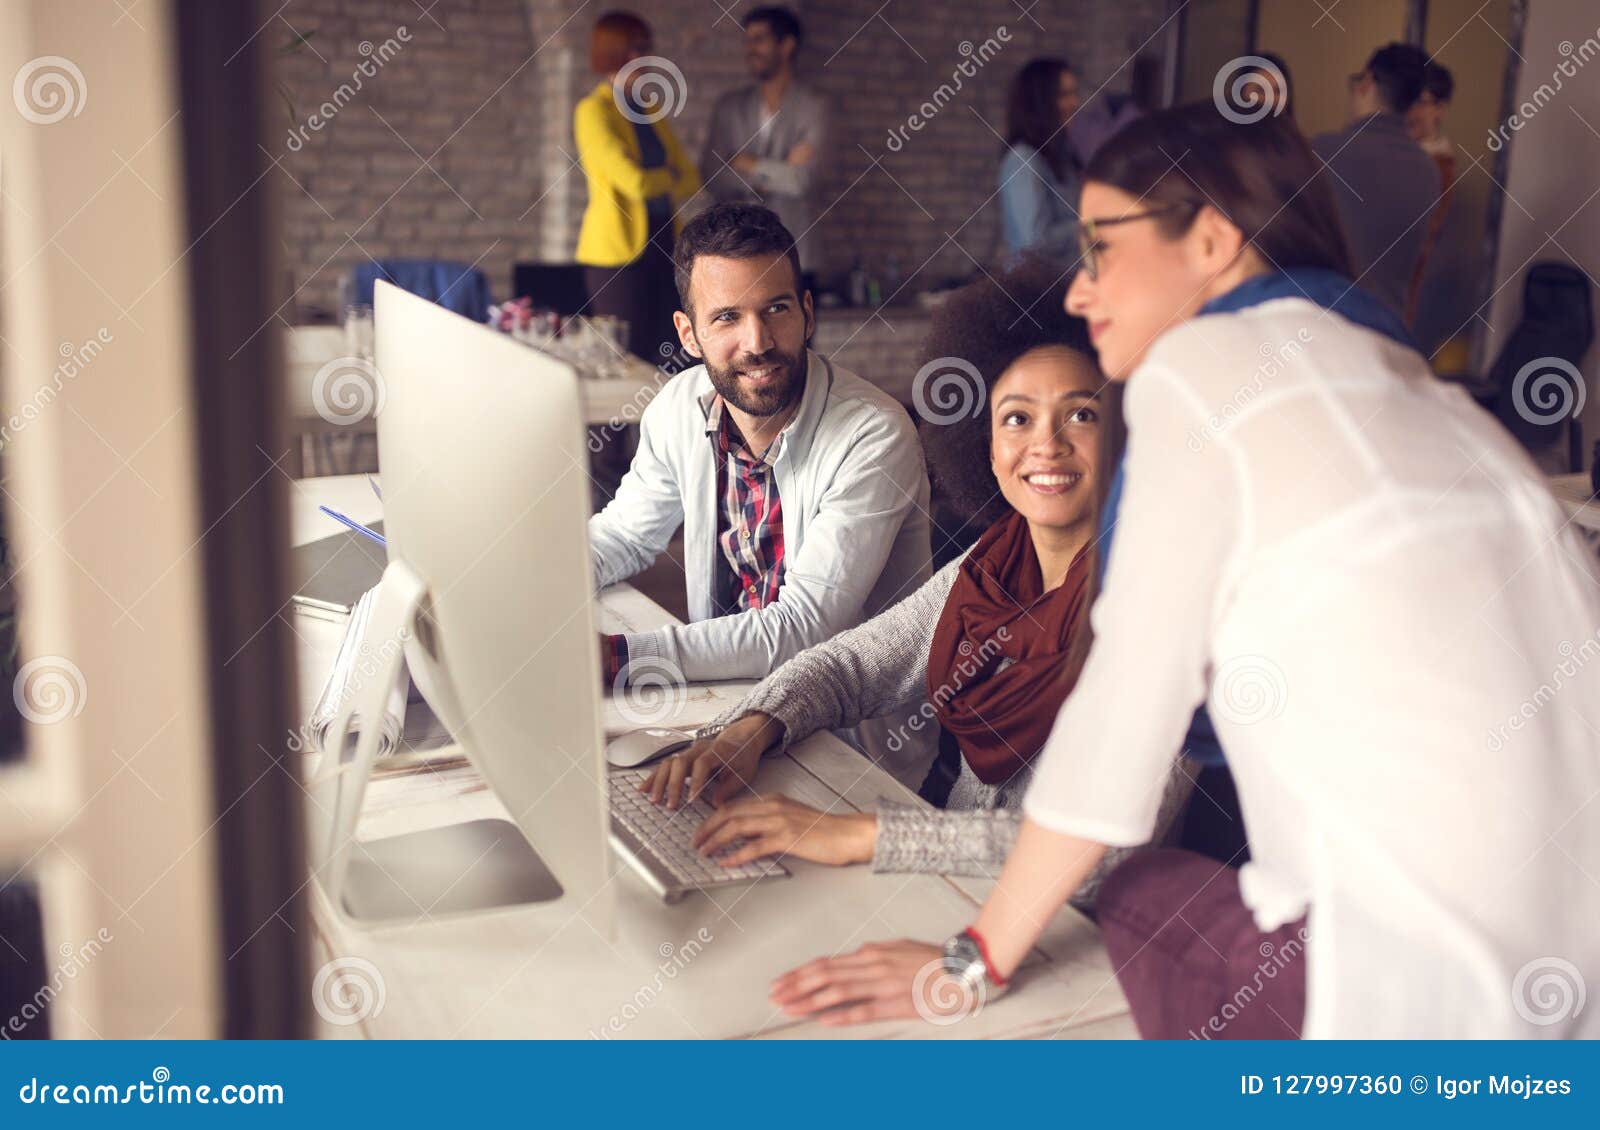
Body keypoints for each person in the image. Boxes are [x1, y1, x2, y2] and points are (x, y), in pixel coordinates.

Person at [771, 104, 1600, 1038]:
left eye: (1101, 251)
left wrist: (970, 963)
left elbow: (1118, 736)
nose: (1082, 294)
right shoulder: (1423, 398)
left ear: (1211, 241)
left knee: (1141, 897)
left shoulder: (1205, 367)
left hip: (1424, 1017)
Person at [640, 260, 1195, 918]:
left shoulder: (1168, 609)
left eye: (1080, 415)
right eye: (1016, 418)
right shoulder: (990, 568)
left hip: (1078, 946)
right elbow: (850, 665)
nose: (1044, 444)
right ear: (985, 444)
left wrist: (864, 835)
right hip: (948, 897)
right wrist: (749, 730)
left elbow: (1097, 853)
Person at [589, 202, 936, 789]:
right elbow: (624, 535)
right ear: (688, 334)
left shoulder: (873, 432)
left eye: (775, 309)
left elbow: (803, 628)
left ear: (806, 314)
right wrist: (530, 587)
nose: (757, 342)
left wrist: (620, 658)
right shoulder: (678, 406)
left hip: (849, 751)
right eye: (726, 317)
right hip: (720, 704)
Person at [574, 10, 700, 365]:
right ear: (610, 53)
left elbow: (690, 177)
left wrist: (661, 174)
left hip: (665, 245)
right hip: (617, 256)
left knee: (672, 354)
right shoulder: (593, 111)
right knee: (626, 360)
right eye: (631, 48)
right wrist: (666, 174)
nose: (641, 56)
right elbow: (634, 182)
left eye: (645, 47)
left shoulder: (650, 108)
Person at [700, 7, 829, 280]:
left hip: (796, 253)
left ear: (787, 45)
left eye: (759, 40)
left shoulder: (813, 106)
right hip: (736, 252)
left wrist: (748, 163)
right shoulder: (729, 107)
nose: (749, 49)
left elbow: (804, 180)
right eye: (747, 40)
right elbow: (712, 175)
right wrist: (780, 171)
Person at [1311, 43, 1439, 316]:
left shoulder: (1322, 150)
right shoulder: (1427, 171)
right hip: (1385, 326)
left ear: (1366, 82)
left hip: (1321, 320)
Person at [997, 58, 1082, 267]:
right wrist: (1092, 225)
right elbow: (1034, 242)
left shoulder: (1061, 157)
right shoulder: (1023, 159)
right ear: (1040, 103)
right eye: (1064, 95)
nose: (1075, 103)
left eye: (1074, 93)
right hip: (1037, 293)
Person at [1405, 61, 1458, 328]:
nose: (1413, 111)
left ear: (1440, 109)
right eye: (1410, 101)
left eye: (1423, 102)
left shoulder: (1439, 167)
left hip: (1413, 284)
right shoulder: (1404, 154)